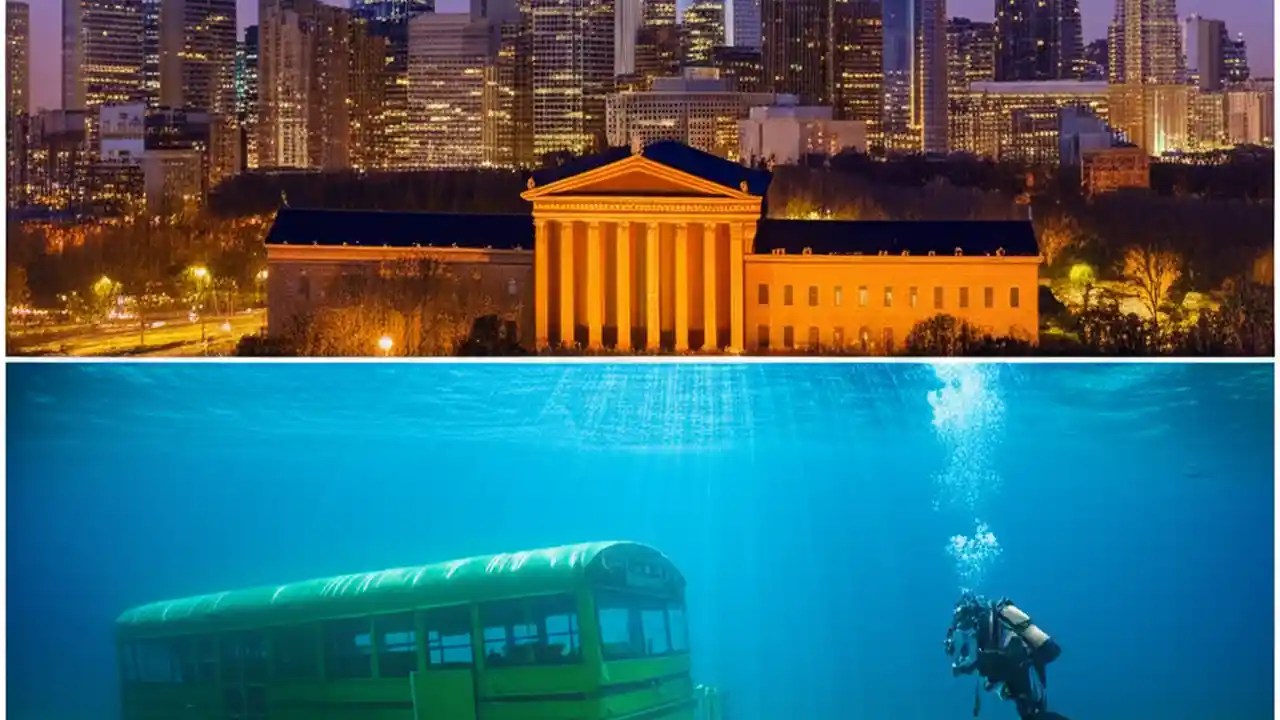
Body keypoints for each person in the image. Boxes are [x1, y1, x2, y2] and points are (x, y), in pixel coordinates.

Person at [944, 591, 1070, 720]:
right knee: (1031, 713)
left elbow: (1007, 656)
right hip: (1017, 677)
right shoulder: (984, 634)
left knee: (1033, 713)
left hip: (1023, 668)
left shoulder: (996, 621)